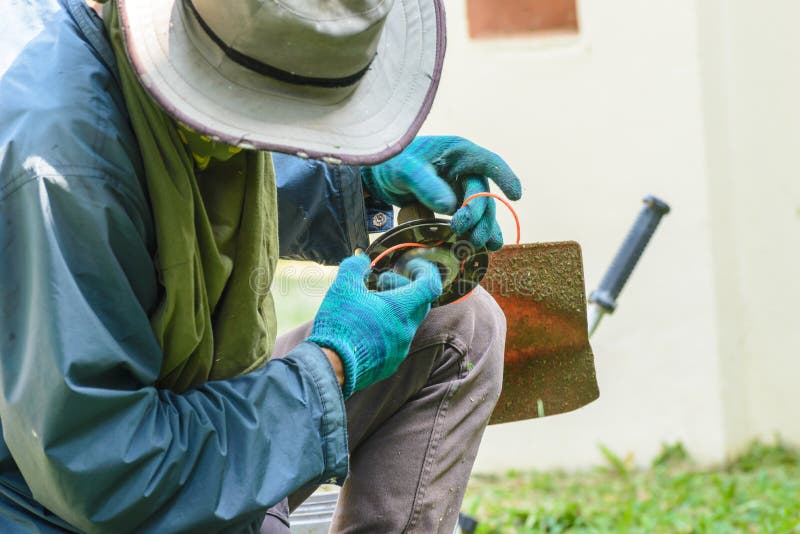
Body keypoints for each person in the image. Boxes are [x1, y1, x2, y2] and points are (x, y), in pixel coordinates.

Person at [0, 0, 522, 532]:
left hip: (186, 431)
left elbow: (214, 161)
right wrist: (331, 368)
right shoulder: (59, 165)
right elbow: (106, 477)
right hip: (77, 501)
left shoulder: (177, 60)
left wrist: (357, 182)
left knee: (458, 328)